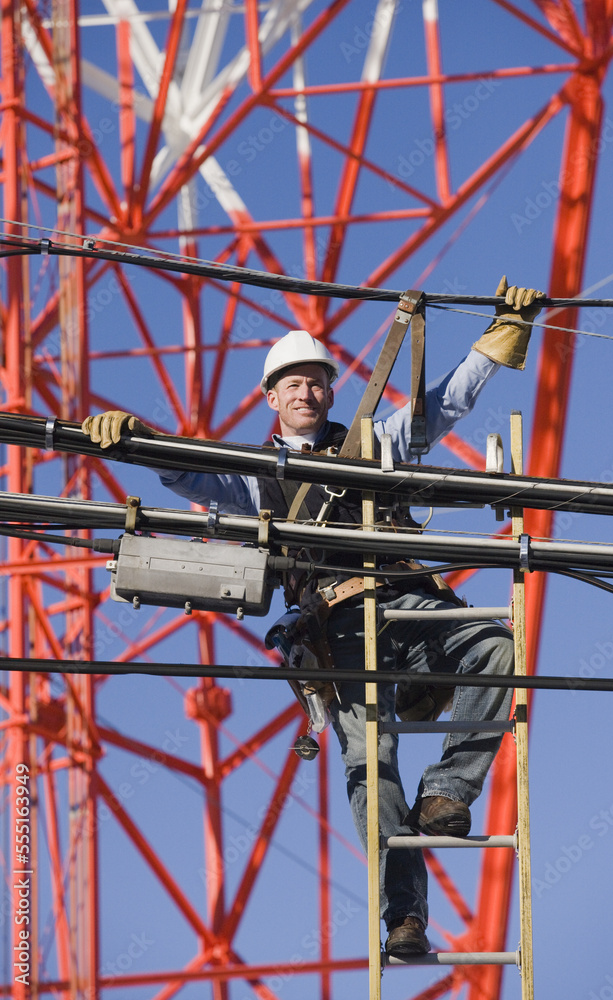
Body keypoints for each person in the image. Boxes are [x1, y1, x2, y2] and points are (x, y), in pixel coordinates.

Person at [83, 277, 544, 956]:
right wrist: (138, 442)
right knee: (369, 762)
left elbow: (440, 404)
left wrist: (497, 336)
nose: (306, 393)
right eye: (292, 385)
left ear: (329, 391)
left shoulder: (369, 441)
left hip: (407, 603)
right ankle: (403, 915)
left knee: (495, 651)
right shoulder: (252, 476)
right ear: (272, 400)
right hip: (335, 631)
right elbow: (191, 476)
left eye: (316, 382)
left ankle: (446, 793)